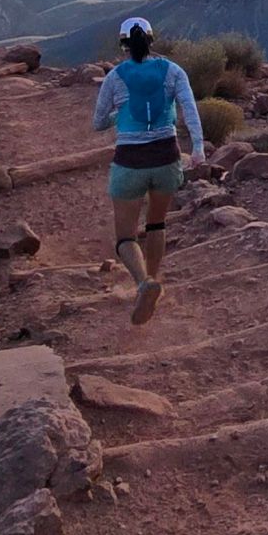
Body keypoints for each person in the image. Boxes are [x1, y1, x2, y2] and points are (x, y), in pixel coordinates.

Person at [92, 16, 204, 325]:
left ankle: (143, 283)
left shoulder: (115, 77)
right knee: (156, 225)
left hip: (130, 162)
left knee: (125, 236)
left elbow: (98, 122)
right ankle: (154, 280)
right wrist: (198, 149)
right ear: (152, 40)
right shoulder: (173, 71)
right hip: (167, 158)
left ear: (123, 45)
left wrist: (120, 114)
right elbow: (189, 111)